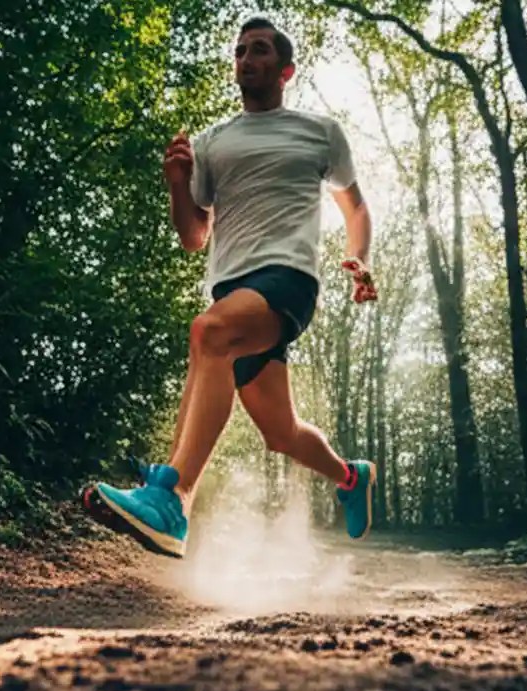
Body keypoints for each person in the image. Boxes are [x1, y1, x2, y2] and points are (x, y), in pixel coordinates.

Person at [87, 16, 378, 558]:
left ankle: (172, 499)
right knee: (280, 431)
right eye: (241, 50)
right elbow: (194, 236)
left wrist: (357, 259)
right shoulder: (211, 142)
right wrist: (178, 182)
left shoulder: (319, 132)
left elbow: (355, 208)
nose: (246, 58)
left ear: (285, 69)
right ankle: (350, 476)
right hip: (233, 287)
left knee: (209, 333)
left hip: (288, 277)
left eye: (260, 50)